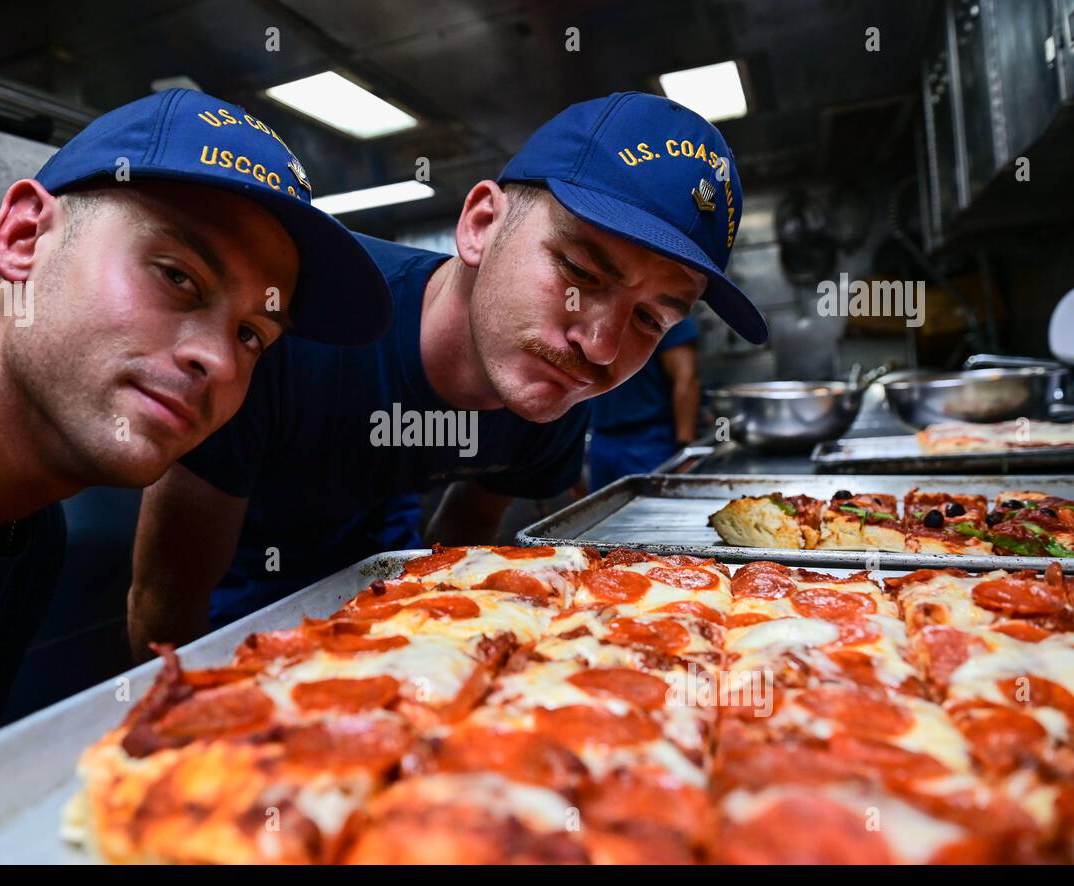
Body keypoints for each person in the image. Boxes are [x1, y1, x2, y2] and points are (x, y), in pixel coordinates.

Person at [0, 88, 391, 833]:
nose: (217, 362)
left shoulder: (25, 538)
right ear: (25, 236)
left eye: (254, 335)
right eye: (178, 276)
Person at [128, 92, 768, 651]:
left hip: (393, 597)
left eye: (651, 319)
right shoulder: (297, 323)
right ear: (482, 225)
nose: (600, 349)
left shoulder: (552, 394)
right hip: (244, 605)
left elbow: (461, 547)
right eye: (579, 272)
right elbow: (165, 594)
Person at [587, 315, 701, 489]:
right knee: (601, 511)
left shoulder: (668, 316)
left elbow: (686, 377)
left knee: (656, 510)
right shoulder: (597, 317)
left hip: (651, 440)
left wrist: (685, 447)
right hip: (602, 438)